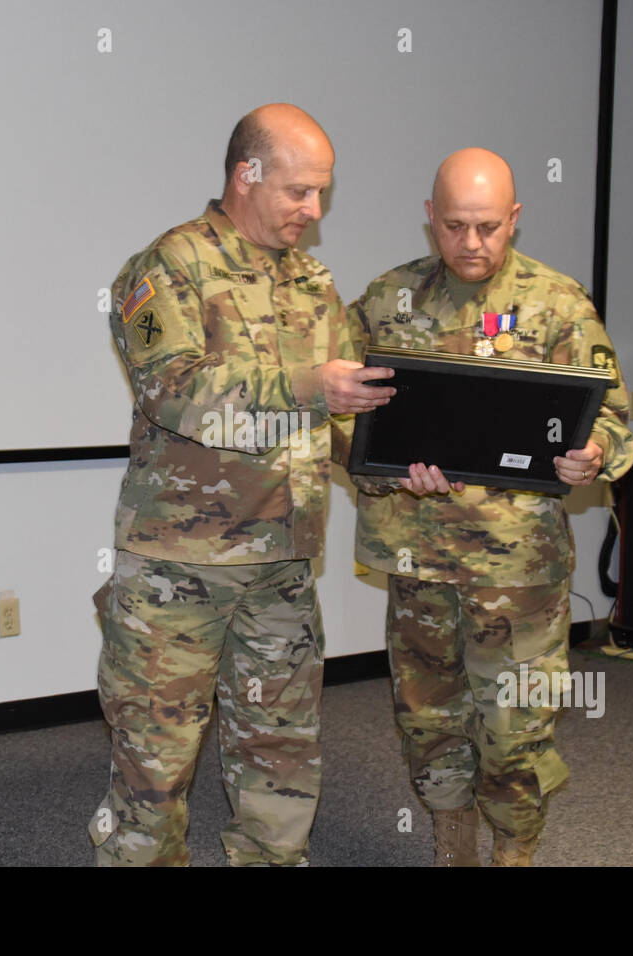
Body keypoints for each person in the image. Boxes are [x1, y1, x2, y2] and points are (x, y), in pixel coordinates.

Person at [88, 103, 394, 866]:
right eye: (299, 191)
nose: (313, 210)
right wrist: (309, 385)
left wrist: (397, 463)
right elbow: (175, 390)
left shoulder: (313, 284)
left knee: (280, 757)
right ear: (245, 174)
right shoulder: (167, 267)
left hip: (282, 568)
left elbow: (345, 413)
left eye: (322, 192)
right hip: (177, 572)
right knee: (155, 767)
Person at [350, 148, 633, 866]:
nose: (471, 244)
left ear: (514, 218)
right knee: (429, 720)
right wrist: (386, 473)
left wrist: (594, 454)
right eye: (453, 226)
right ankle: (454, 847)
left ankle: (515, 852)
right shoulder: (387, 303)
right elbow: (340, 417)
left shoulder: (558, 303)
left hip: (518, 569)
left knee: (515, 729)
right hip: (419, 560)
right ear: (429, 219)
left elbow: (613, 418)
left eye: (487, 226)